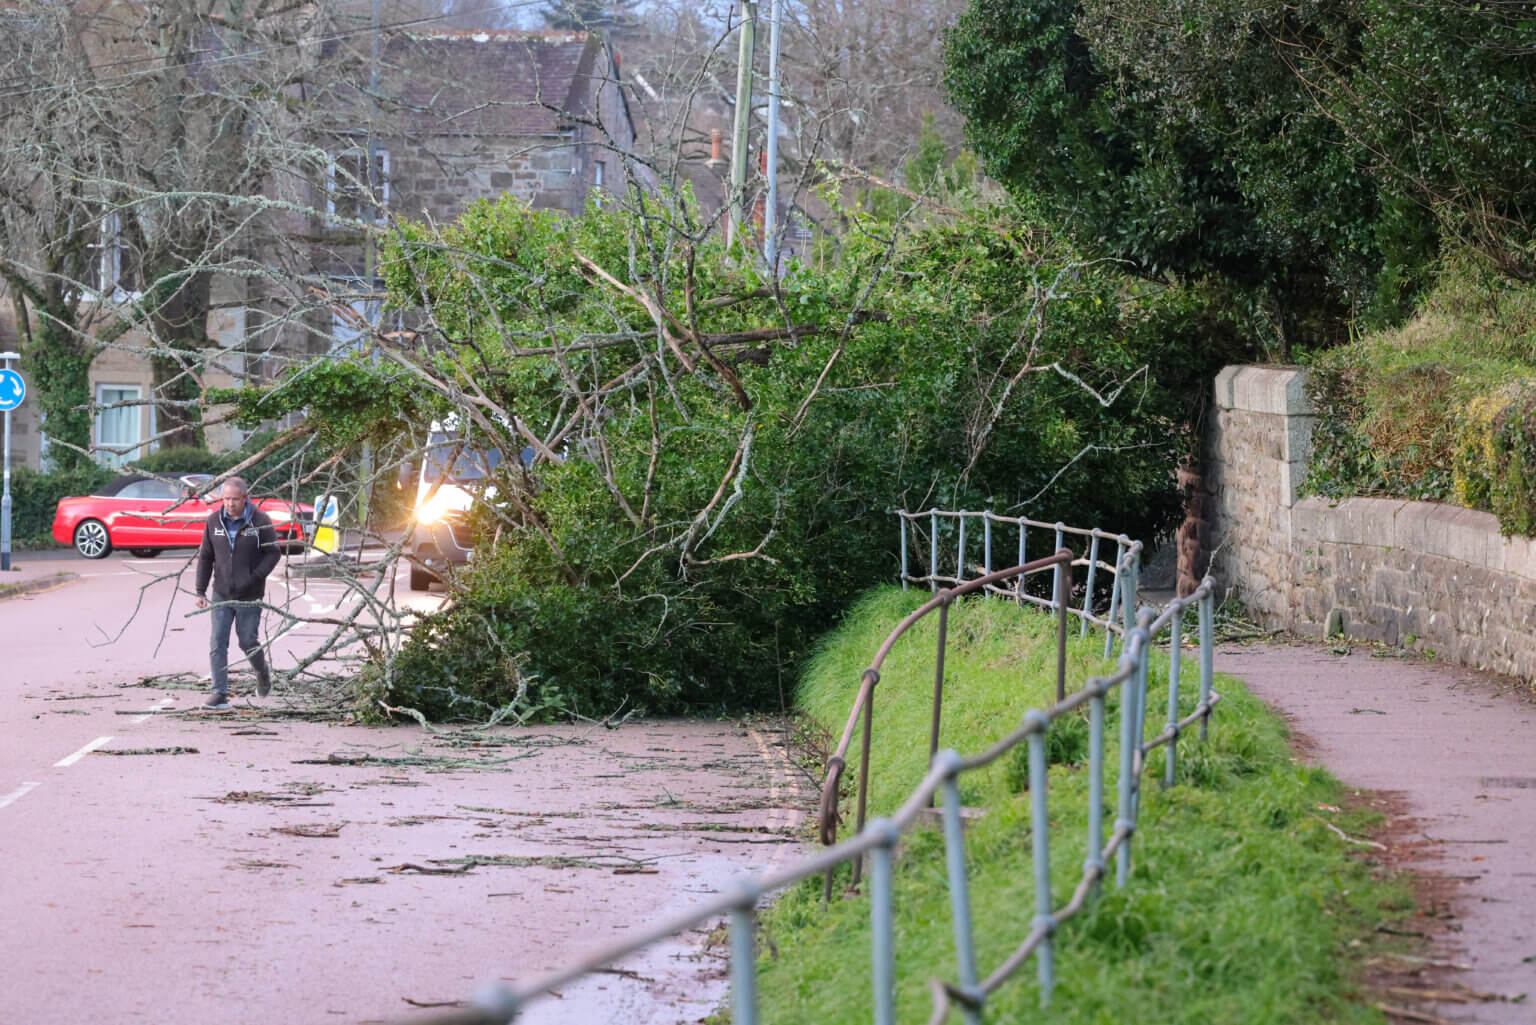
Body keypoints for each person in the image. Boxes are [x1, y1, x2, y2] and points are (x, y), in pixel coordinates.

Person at [193, 477, 279, 710]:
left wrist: (254, 577)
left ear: (245, 498)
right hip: (221, 592)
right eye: (226, 499)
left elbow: (274, 553)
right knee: (218, 642)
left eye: (234, 499)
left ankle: (263, 674)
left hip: (249, 594)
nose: (229, 504)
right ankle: (219, 693)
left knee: (248, 641)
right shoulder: (214, 521)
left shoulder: (260, 521)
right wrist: (200, 590)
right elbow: (206, 557)